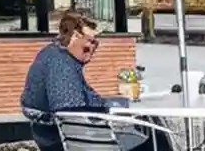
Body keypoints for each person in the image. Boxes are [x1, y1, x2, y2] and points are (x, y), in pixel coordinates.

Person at [22, 11, 133, 150]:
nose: (93, 48)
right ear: (74, 36)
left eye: (96, 43)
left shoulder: (53, 54)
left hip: (57, 137)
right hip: (76, 142)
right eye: (90, 41)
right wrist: (109, 113)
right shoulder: (60, 65)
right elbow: (71, 112)